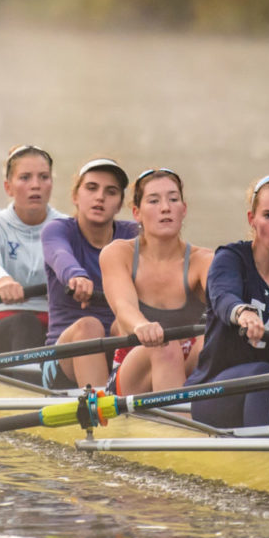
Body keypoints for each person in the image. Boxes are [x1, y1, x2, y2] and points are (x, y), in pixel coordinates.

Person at [187, 173, 269, 429]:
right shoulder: (230, 258)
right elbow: (222, 296)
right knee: (263, 372)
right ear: (252, 219)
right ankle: (267, 458)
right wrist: (244, 313)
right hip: (213, 394)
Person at [100, 168, 208, 395]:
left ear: (184, 209)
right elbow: (123, 306)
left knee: (211, 339)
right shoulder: (118, 253)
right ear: (137, 212)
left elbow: (224, 300)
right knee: (165, 347)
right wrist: (141, 326)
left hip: (187, 366)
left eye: (173, 199)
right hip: (131, 373)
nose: (165, 208)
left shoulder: (204, 260)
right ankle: (180, 426)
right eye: (154, 201)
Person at [40, 159, 138, 390]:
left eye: (110, 192)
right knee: (89, 326)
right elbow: (59, 254)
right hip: (65, 357)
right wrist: (76, 276)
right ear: (75, 196)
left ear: (120, 204)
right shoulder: (57, 230)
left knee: (126, 326)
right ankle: (103, 414)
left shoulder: (135, 236)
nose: (100, 197)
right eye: (91, 188)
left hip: (116, 343)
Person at [0, 145, 62, 357]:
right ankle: (31, 387)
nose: (36, 185)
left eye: (43, 177)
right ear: (8, 187)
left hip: (54, 328)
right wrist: (3, 281)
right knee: (25, 323)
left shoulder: (67, 227)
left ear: (51, 184)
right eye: (25, 177)